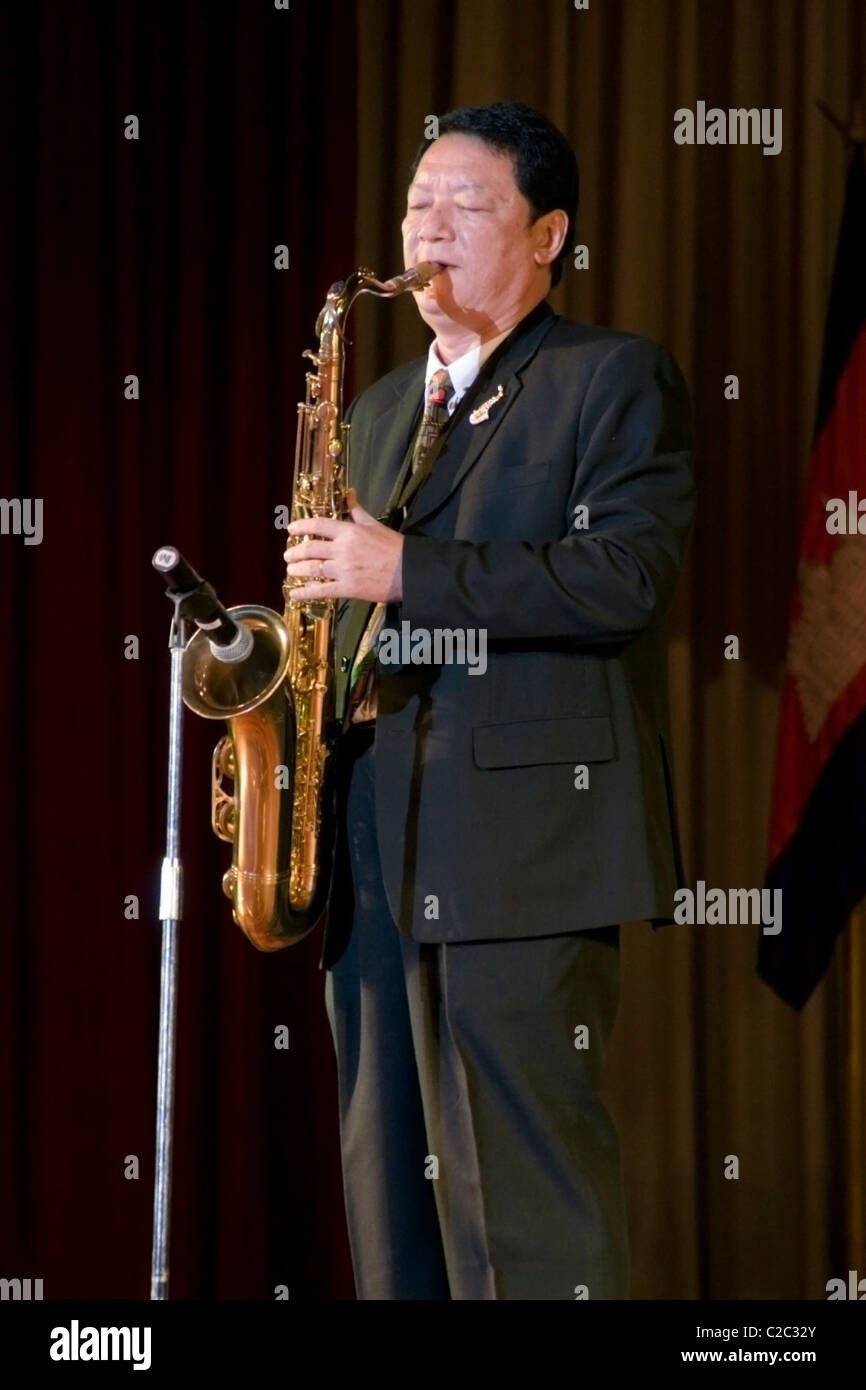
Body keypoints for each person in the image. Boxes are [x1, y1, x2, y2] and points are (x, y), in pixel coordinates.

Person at [285, 100, 695, 1301]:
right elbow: (355, 611)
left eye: (464, 205)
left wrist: (404, 570)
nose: (428, 228)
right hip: (374, 838)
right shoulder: (373, 410)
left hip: (522, 844)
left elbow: (621, 577)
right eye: (417, 203)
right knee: (389, 1202)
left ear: (546, 234)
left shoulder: (608, 378)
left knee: (522, 1212)